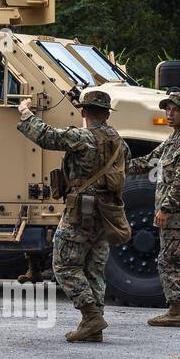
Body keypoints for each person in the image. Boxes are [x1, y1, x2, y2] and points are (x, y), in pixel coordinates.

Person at [17, 89, 129, 342]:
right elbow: (127, 166)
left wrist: (25, 112)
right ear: (107, 113)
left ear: (83, 112)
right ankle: (93, 326)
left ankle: (91, 317)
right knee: (94, 268)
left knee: (64, 265)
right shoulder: (117, 140)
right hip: (106, 213)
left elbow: (46, 136)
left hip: (81, 211)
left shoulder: (83, 137)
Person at [126, 92, 180, 327]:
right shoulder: (173, 140)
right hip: (176, 215)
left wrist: (166, 209)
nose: (169, 114)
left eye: (174, 110)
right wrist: (119, 166)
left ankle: (176, 311)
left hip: (179, 215)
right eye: (167, 109)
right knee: (175, 260)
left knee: (170, 261)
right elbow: (149, 160)